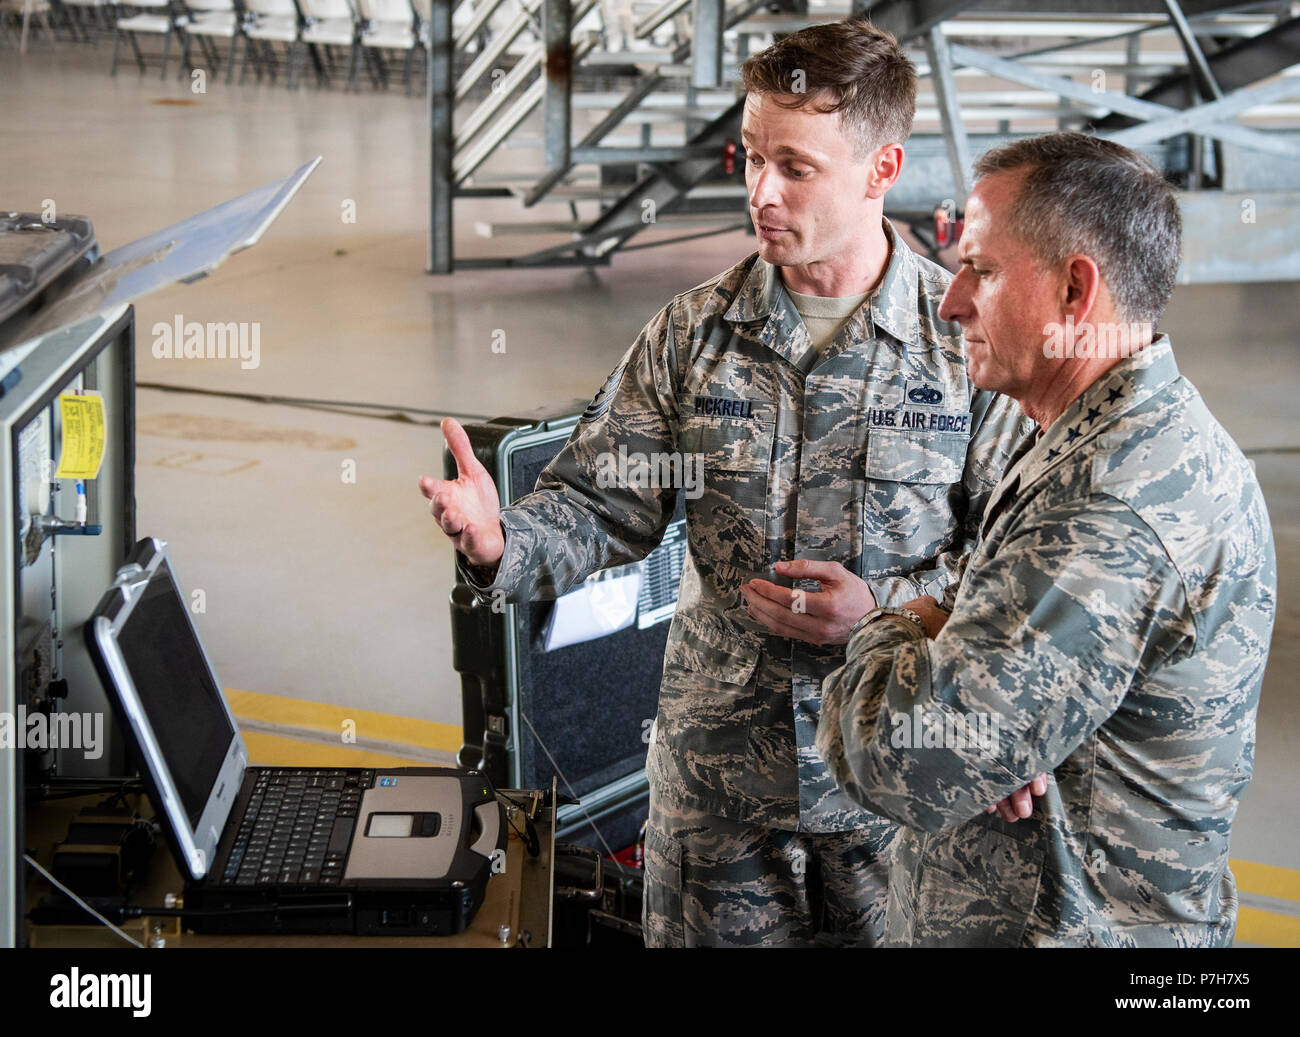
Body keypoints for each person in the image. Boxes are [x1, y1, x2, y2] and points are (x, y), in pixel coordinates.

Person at [419, 19, 1028, 946]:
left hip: (896, 794)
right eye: (749, 158)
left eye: (795, 166)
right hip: (718, 806)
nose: (760, 191)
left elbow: (1017, 570)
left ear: (882, 167)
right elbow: (599, 504)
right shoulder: (693, 336)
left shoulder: (964, 352)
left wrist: (887, 614)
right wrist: (506, 542)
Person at [811, 132, 1277, 946]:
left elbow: (901, 760)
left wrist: (892, 623)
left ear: (1074, 289)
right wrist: (985, 711)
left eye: (982, 270)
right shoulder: (1121, 435)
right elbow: (985, 713)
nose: (953, 301)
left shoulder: (1104, 508)